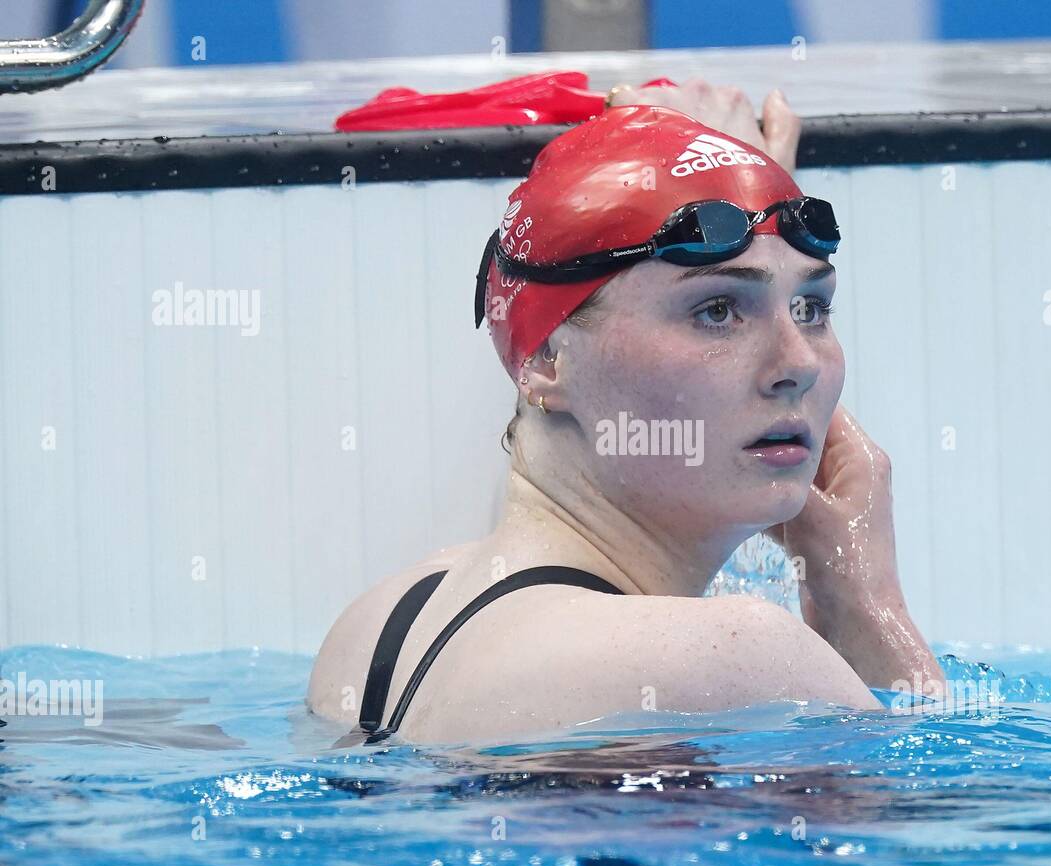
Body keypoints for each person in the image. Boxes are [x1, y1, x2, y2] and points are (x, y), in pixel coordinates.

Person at [308, 79, 944, 746]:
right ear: (547, 361)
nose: (801, 364)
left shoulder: (376, 627)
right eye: (718, 311)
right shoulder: (746, 657)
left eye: (811, 308)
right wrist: (866, 602)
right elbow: (925, 835)